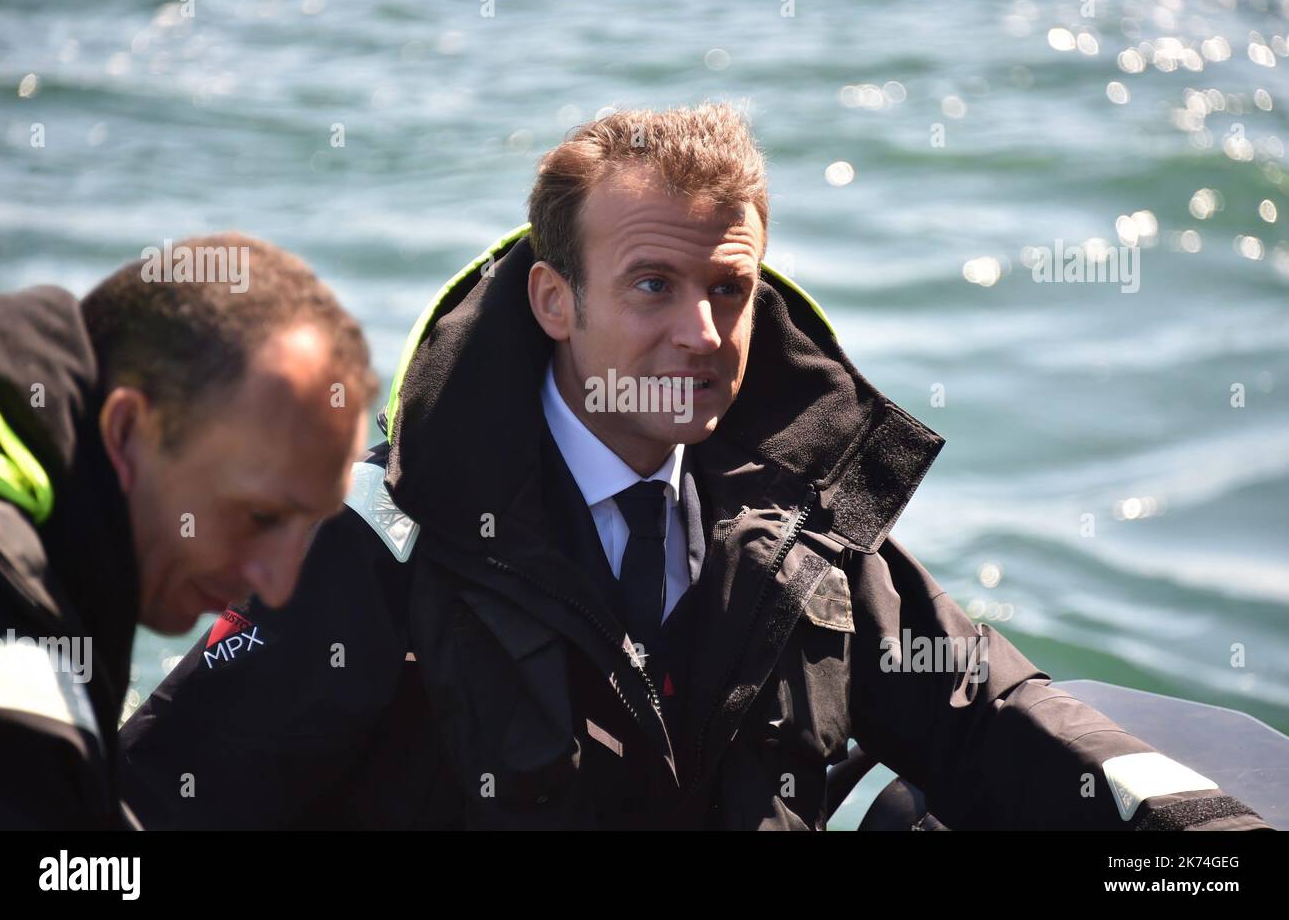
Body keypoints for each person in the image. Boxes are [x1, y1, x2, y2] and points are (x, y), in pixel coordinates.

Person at [120, 107, 1269, 830]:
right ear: (554, 301)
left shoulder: (810, 545)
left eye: (730, 290)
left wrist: (1208, 835)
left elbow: (993, 715)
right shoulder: (373, 557)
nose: (704, 335)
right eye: (653, 286)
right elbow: (149, 809)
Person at [0, 233, 376, 828]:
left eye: (308, 527)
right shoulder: (16, 672)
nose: (274, 588)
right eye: (259, 517)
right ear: (126, 431)